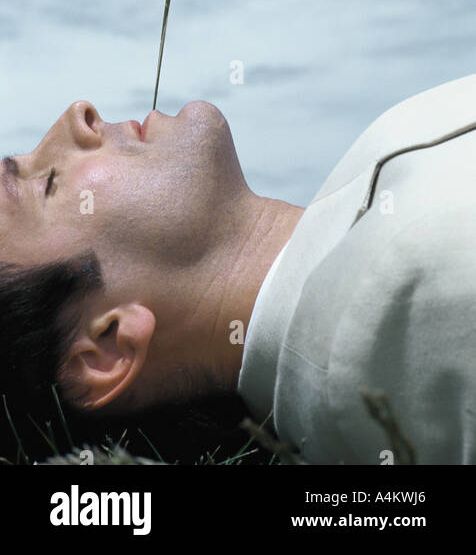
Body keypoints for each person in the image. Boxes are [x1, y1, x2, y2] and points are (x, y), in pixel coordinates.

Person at [1, 77, 476, 465]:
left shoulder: (372, 231)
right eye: (47, 184)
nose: (77, 114)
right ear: (108, 343)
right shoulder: (409, 300)